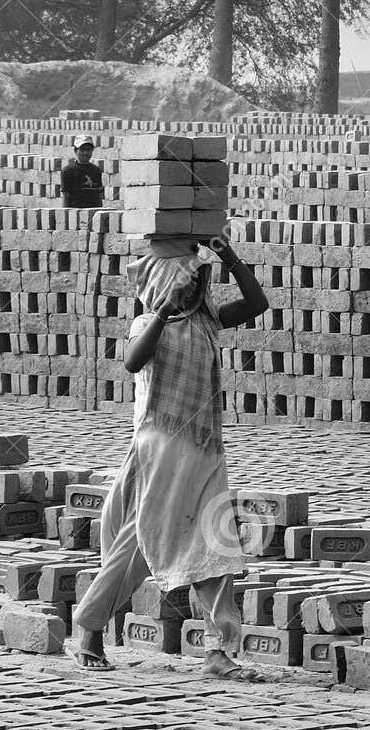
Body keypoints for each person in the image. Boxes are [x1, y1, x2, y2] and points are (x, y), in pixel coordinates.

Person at [70, 236, 270, 680]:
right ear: (164, 284)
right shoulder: (147, 323)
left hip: (204, 451)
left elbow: (257, 304)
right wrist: (164, 309)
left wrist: (228, 256)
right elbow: (132, 362)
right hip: (161, 451)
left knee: (215, 545)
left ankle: (220, 649)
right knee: (139, 544)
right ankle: (89, 630)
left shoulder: (208, 320)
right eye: (187, 282)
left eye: (199, 281)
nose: (195, 290)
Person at [61, 135, 105, 208]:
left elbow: (99, 196)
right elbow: (66, 197)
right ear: (75, 150)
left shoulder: (96, 170)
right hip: (75, 213)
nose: (85, 153)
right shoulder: (68, 171)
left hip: (93, 213)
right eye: (82, 149)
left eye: (88, 149)